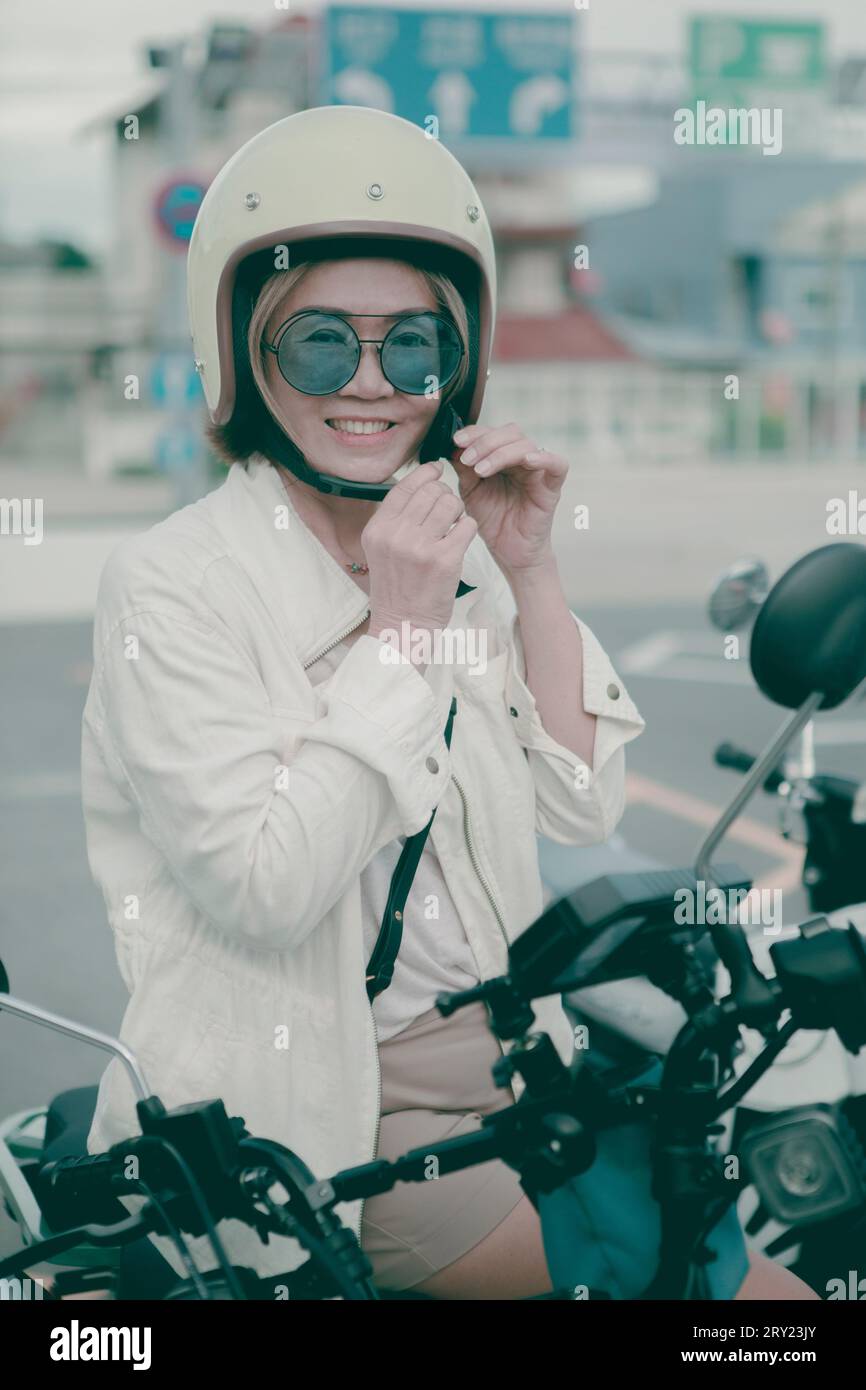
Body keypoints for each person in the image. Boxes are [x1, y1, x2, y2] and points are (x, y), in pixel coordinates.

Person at [81, 106, 812, 1301]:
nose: (372, 383)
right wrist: (403, 633)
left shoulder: (447, 552)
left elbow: (580, 802)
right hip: (322, 1127)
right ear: (247, 357)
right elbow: (264, 887)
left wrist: (527, 569)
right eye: (321, 345)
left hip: (517, 1072)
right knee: (716, 1296)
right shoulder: (174, 584)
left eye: (411, 347)